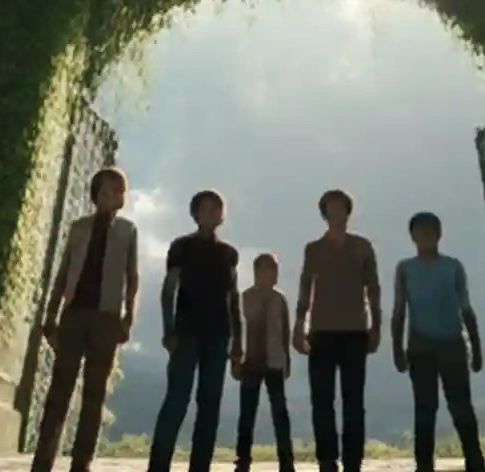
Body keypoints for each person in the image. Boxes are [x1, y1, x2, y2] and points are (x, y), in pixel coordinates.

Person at [31, 167, 139, 472]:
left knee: (94, 394)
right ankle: (43, 460)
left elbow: (132, 278)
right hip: (75, 313)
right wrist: (51, 314)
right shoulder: (79, 228)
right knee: (59, 390)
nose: (112, 197)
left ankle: (82, 462)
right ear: (96, 196)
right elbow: (63, 273)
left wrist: (128, 317)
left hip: (106, 317)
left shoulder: (128, 231)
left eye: (118, 192)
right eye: (105, 191)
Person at [146, 190, 242, 472]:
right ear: (196, 213)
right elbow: (168, 290)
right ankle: (158, 465)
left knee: (209, 406)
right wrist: (168, 330)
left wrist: (239, 342)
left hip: (218, 336)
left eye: (217, 208)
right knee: (176, 400)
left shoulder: (228, 254)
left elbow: (234, 300)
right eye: (206, 208)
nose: (212, 213)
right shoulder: (181, 248)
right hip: (187, 333)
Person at [391, 212, 485, 472]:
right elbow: (399, 310)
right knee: (425, 407)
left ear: (439, 235)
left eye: (430, 232)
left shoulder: (453, 267)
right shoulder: (405, 269)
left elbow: (466, 308)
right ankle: (424, 462)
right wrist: (397, 348)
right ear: (413, 237)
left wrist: (476, 348)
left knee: (461, 405)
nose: (425, 238)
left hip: (453, 344)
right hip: (420, 346)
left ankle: (474, 458)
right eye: (420, 233)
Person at [293, 189, 381, 472]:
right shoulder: (314, 249)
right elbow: (306, 287)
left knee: (353, 399)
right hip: (321, 331)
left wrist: (376, 326)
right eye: (330, 207)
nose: (336, 211)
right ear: (324, 213)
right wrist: (299, 326)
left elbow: (374, 288)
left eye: (340, 206)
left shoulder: (362, 247)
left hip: (355, 329)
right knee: (322, 399)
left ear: (347, 211)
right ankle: (327, 460)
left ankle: (353, 460)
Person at [232, 253, 295, 472]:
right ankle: (243, 459)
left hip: (274, 360)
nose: (272, 274)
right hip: (250, 361)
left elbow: (285, 330)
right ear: (258, 272)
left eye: (274, 269)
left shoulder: (280, 299)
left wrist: (286, 357)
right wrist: (236, 360)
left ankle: (286, 461)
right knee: (247, 413)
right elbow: (237, 331)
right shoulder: (245, 298)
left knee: (280, 413)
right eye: (268, 269)